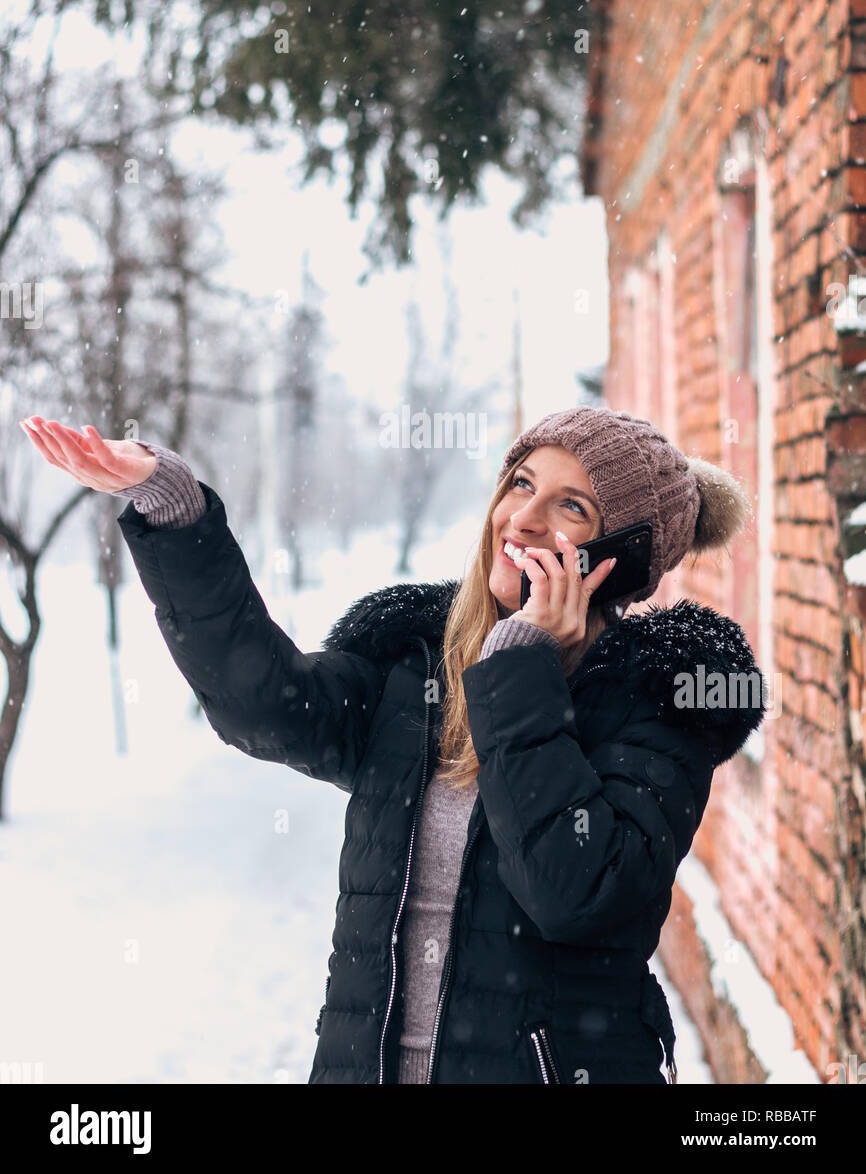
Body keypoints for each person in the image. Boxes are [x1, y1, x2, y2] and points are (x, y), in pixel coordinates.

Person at [19, 405, 766, 1085]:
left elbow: (574, 894)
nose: (523, 518)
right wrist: (175, 508)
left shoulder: (656, 705)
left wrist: (520, 668)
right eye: (521, 484)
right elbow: (262, 706)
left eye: (571, 506)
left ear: (622, 558)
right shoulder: (415, 663)